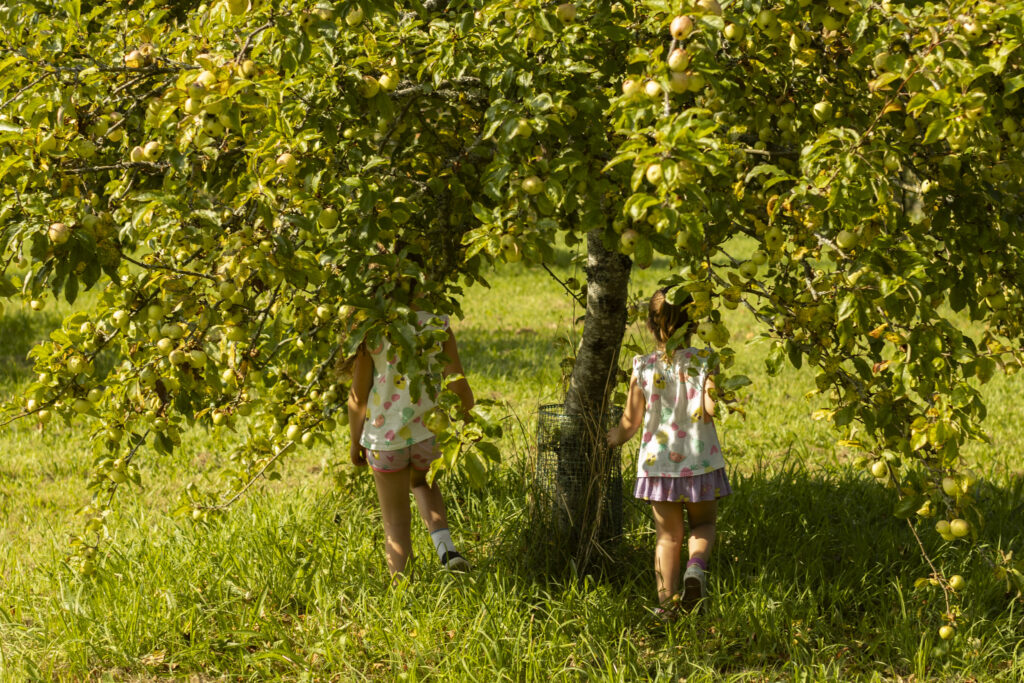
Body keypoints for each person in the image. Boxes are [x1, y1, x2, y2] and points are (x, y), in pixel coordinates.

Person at [606, 288, 731, 620]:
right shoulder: (706, 361)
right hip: (700, 461)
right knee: (703, 524)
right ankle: (695, 568)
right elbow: (708, 411)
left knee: (667, 537)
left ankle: (665, 606)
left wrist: (609, 439)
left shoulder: (643, 367)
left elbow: (629, 424)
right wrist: (716, 386)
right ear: (693, 324)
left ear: (650, 325)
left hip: (658, 466)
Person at [347, 301, 474, 577]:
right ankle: (447, 550)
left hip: (385, 440)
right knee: (423, 482)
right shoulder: (437, 325)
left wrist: (355, 441)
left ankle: (402, 590)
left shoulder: (372, 330)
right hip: (429, 434)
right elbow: (458, 383)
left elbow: (357, 397)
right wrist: (468, 417)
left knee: (395, 522)